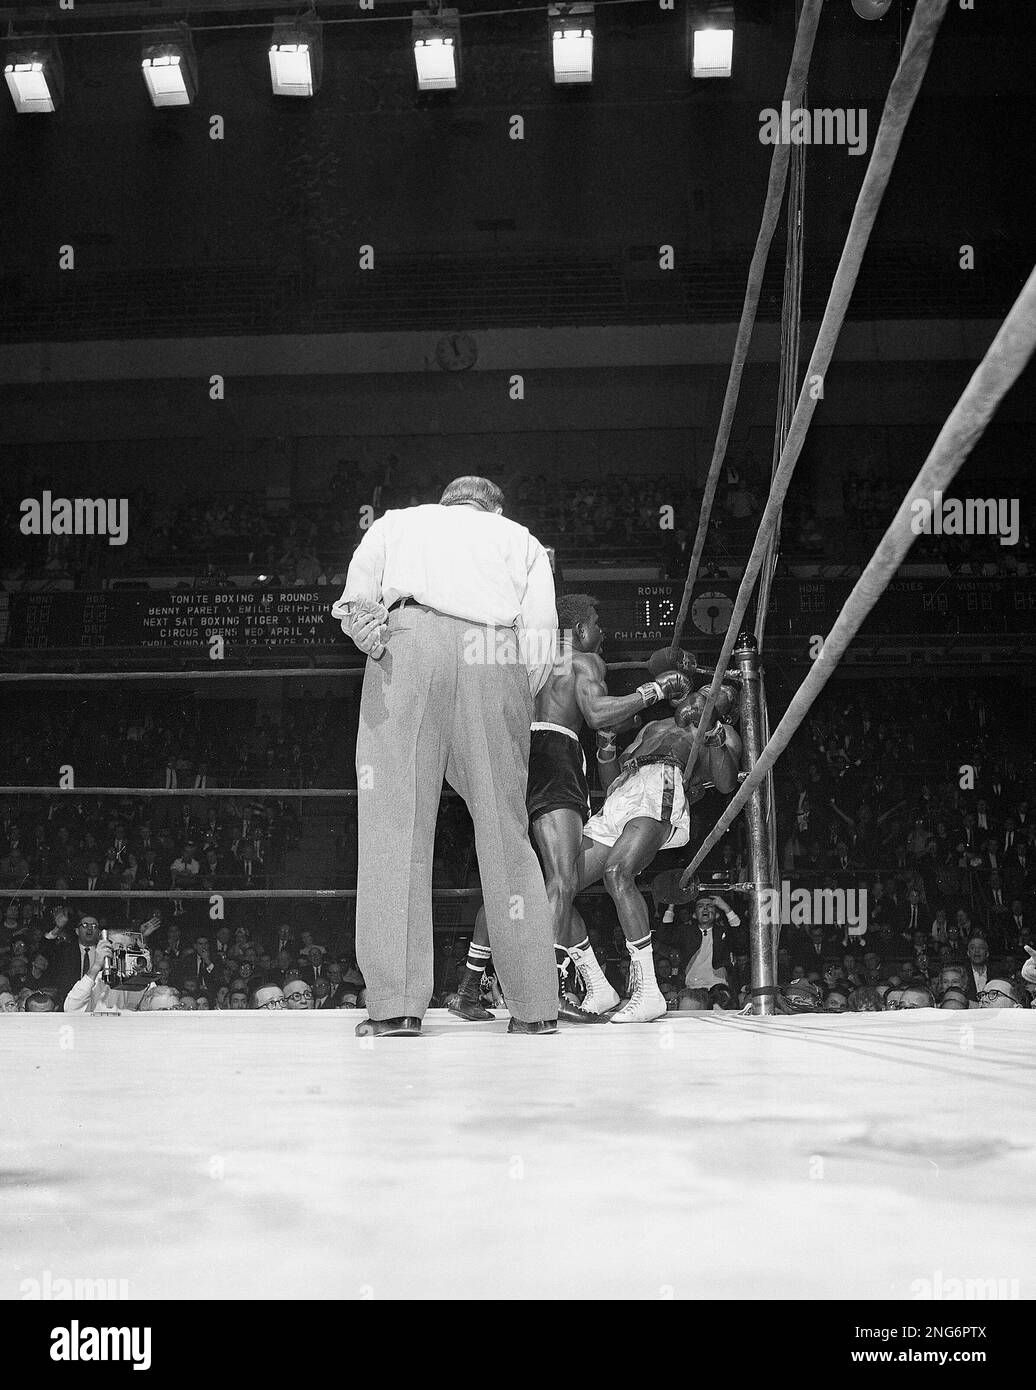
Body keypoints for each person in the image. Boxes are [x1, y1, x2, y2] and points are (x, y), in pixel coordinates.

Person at [332, 475, 562, 1037]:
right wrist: (512, 690)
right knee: (506, 828)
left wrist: (377, 639)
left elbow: (356, 598)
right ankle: (534, 1009)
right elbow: (542, 634)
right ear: (495, 507)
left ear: (447, 501)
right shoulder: (522, 540)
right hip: (495, 649)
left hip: (409, 643)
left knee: (394, 824)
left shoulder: (397, 522)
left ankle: (396, 1007)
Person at [447, 592, 690, 1023]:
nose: (602, 632)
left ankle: (469, 988)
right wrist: (654, 690)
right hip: (555, 757)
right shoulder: (584, 661)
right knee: (562, 879)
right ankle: (547, 988)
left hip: (514, 758)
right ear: (579, 629)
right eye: (597, 623)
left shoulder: (532, 658)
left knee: (520, 882)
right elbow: (597, 713)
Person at [571, 682, 742, 1023]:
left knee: (617, 873)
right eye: (707, 685)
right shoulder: (655, 725)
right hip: (621, 795)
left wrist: (713, 731)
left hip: (661, 786)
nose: (709, 689)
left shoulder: (724, 732)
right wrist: (606, 743)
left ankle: (649, 991)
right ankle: (598, 985)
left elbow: (725, 783)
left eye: (719, 690)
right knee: (558, 887)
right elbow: (613, 776)